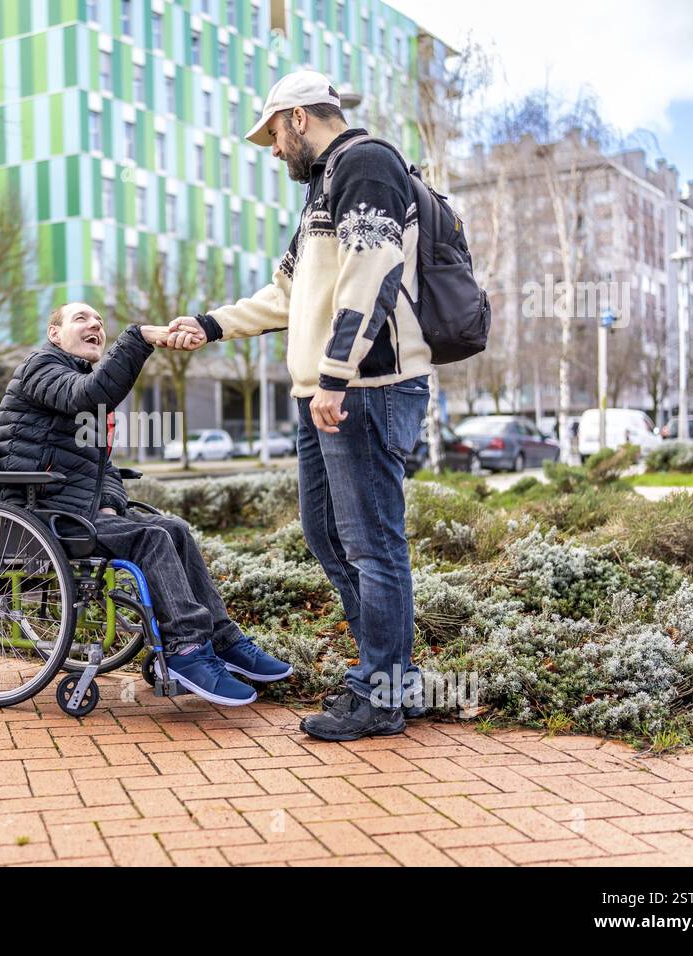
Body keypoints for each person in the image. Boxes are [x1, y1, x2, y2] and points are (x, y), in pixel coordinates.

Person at [165, 70, 430, 740]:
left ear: (299, 118)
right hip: (327, 393)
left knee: (373, 545)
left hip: (364, 390)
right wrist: (211, 323)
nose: (273, 150)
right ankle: (393, 674)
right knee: (327, 534)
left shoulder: (366, 165)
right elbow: (287, 294)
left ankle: (382, 694)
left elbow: (372, 274)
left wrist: (336, 375)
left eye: (273, 135)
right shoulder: (324, 189)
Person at [0, 301, 292, 707]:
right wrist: (140, 337)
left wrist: (112, 504)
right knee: (151, 538)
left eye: (100, 320)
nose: (95, 323)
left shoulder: (78, 386)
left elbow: (103, 467)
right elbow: (90, 393)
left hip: (76, 511)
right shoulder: (41, 368)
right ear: (55, 334)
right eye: (81, 318)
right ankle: (186, 649)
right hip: (40, 515)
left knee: (175, 529)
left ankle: (222, 639)